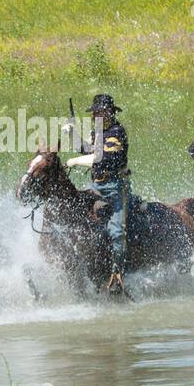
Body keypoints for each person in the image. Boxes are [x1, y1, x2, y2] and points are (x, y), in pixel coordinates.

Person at [65, 94, 134, 294]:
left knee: (117, 231)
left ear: (108, 113)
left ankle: (117, 274)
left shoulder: (116, 133)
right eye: (94, 113)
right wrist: (72, 134)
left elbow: (105, 160)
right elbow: (86, 149)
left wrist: (76, 161)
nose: (95, 115)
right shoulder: (99, 132)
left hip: (115, 188)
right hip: (96, 186)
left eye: (98, 112)